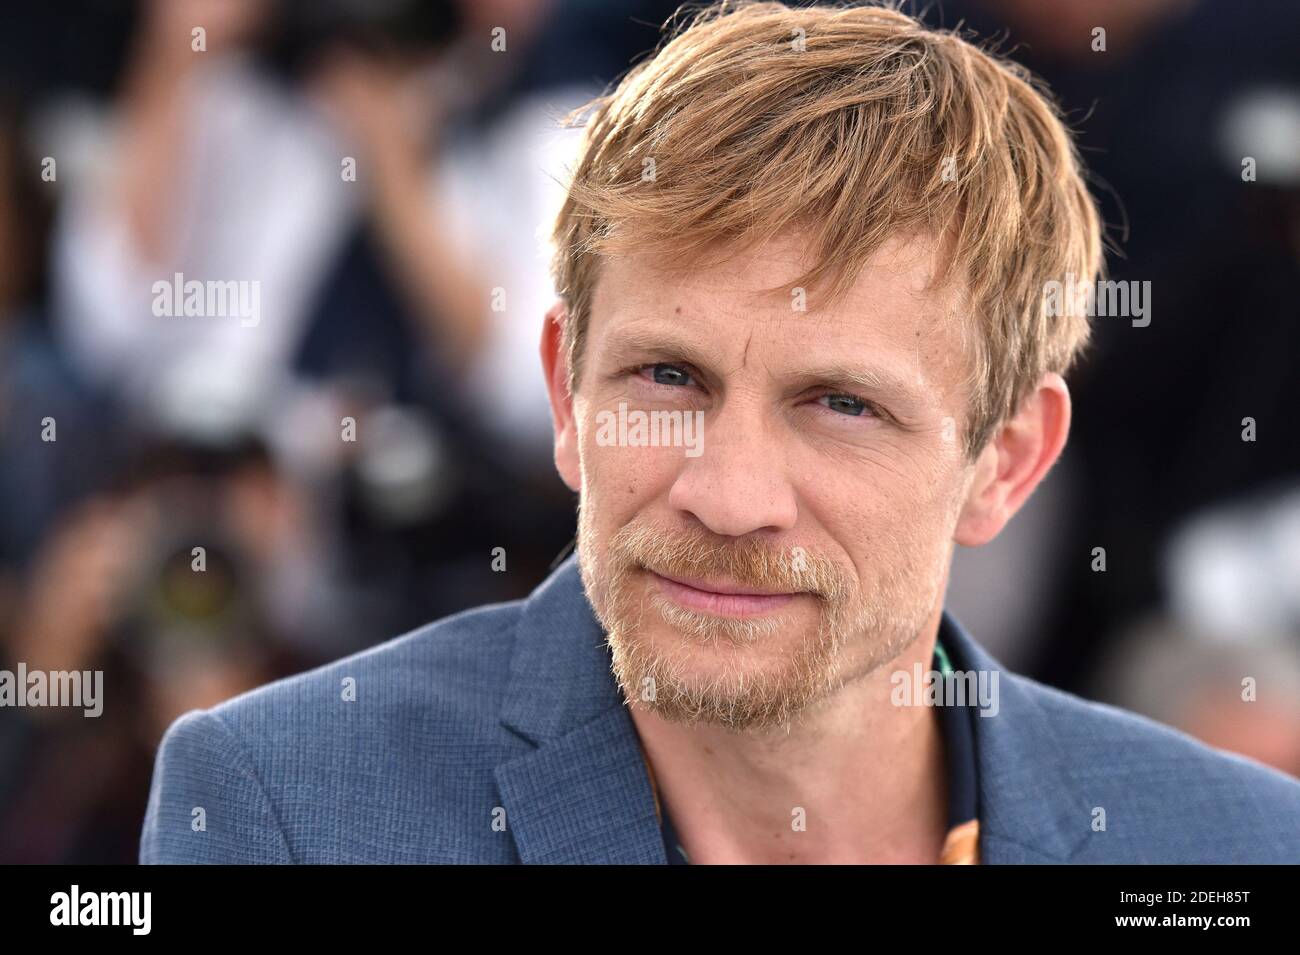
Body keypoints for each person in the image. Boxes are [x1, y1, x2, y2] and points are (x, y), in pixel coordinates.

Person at [140, 0, 1300, 864]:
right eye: (668, 377)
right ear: (566, 396)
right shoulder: (282, 809)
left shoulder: (1226, 848)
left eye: (841, 404)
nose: (729, 492)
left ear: (1004, 462)